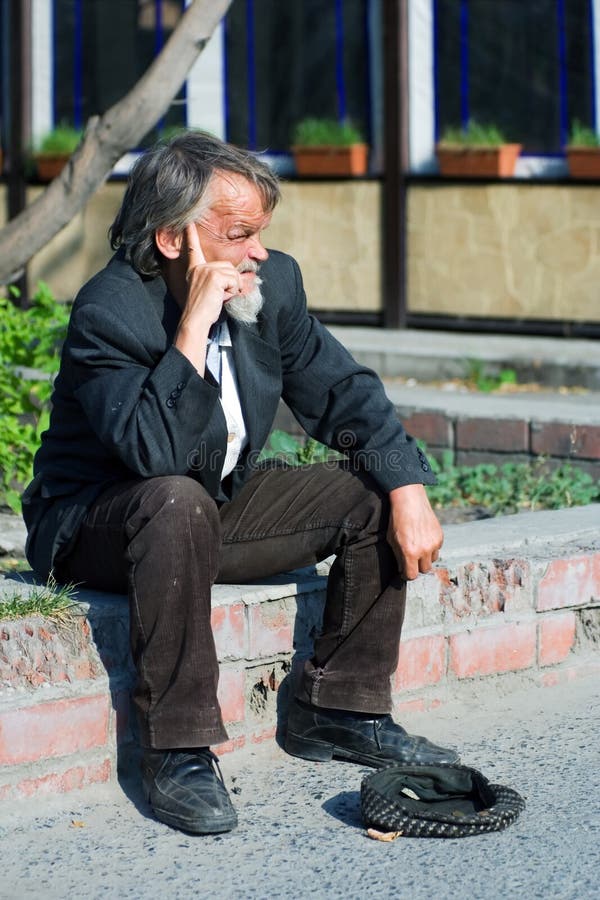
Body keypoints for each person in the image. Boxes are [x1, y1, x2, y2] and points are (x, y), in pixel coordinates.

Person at [22, 131, 458, 836]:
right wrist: (192, 326)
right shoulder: (112, 311)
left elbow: (342, 394)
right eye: (239, 233)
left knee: (372, 488)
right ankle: (178, 748)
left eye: (262, 232)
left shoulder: (271, 286)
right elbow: (155, 453)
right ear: (172, 239)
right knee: (175, 499)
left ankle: (339, 712)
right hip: (95, 523)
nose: (258, 250)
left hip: (205, 511)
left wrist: (407, 489)